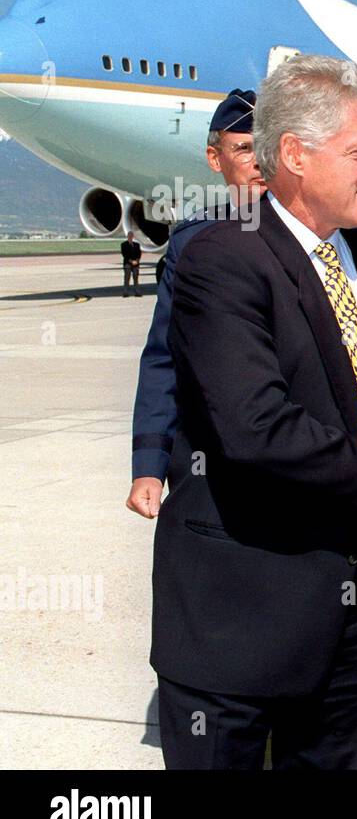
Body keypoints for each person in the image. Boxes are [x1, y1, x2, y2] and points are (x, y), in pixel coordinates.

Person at [152, 54, 357, 769]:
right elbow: (256, 426)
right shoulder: (221, 261)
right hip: (237, 631)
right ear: (294, 156)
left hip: (350, 634)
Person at [126, 88, 264, 519]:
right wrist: (149, 464)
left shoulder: (320, 236)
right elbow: (164, 357)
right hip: (215, 464)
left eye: (267, 147)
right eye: (243, 149)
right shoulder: (193, 243)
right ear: (214, 157)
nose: (259, 161)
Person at [120, 231, 142, 296]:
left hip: (136, 264)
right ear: (127, 236)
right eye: (129, 236)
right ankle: (126, 292)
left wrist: (137, 261)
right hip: (128, 263)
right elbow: (124, 255)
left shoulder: (137, 244)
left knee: (136, 278)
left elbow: (139, 254)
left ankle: (137, 292)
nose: (130, 237)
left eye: (131, 236)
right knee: (127, 278)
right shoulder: (123, 244)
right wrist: (131, 261)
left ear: (133, 237)